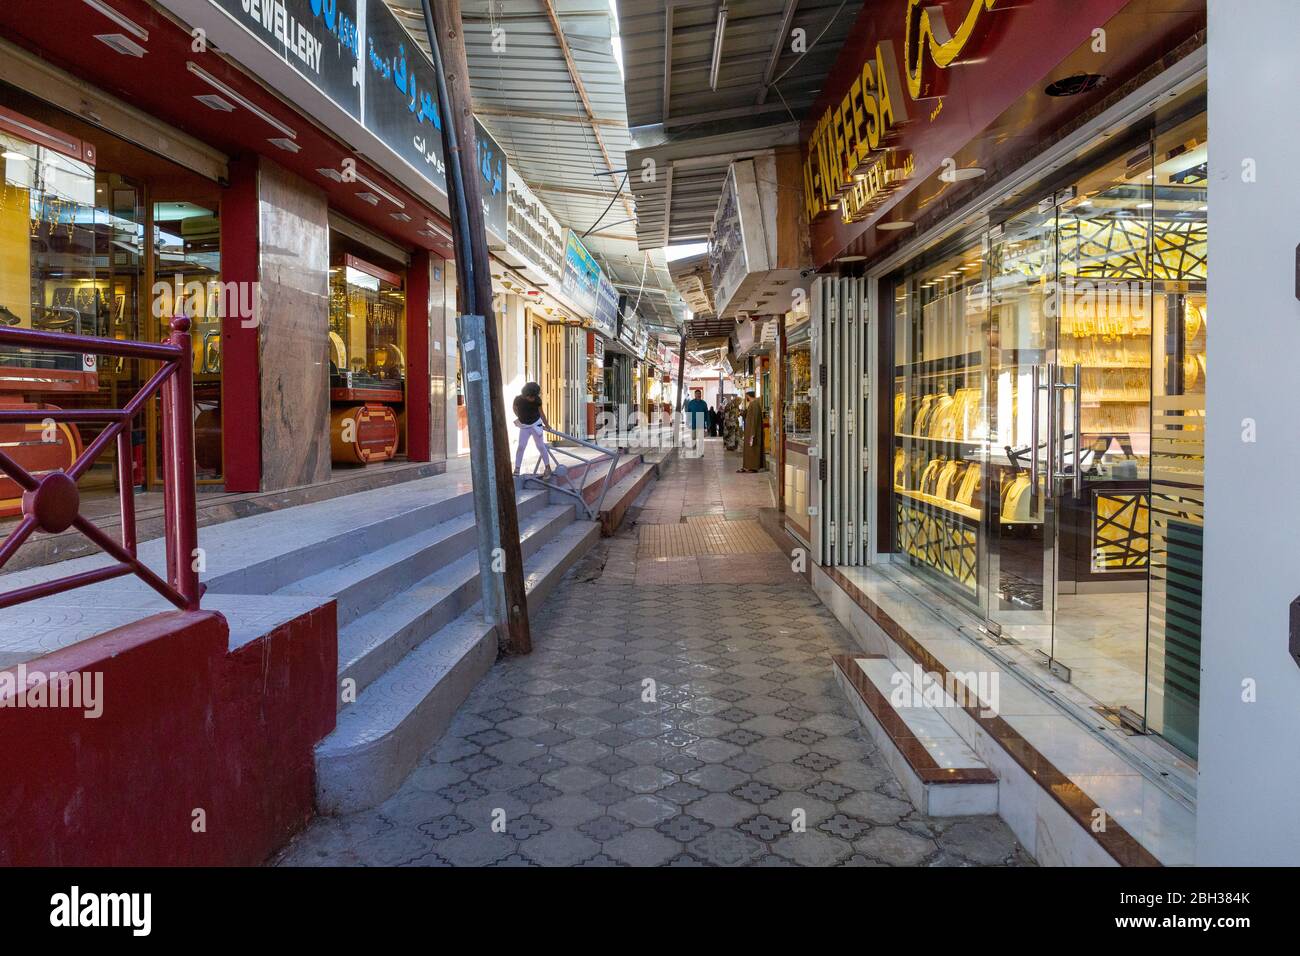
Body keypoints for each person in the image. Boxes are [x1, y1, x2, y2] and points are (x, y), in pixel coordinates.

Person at [513, 382, 553, 477]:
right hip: (524, 426)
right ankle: (517, 468)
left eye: (534, 396)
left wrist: (547, 425)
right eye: (530, 396)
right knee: (521, 446)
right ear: (525, 394)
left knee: (540, 446)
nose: (532, 399)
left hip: (536, 424)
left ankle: (548, 468)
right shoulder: (518, 399)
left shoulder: (537, 400)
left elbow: (541, 413)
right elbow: (514, 408)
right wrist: (519, 417)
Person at [739, 390, 764, 473]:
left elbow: (755, 419)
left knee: (753, 449)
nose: (746, 398)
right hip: (749, 431)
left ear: (748, 396)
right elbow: (748, 416)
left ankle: (753, 467)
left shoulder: (755, 404)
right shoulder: (752, 404)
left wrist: (753, 432)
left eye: (746, 396)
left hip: (752, 432)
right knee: (748, 450)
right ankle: (747, 466)